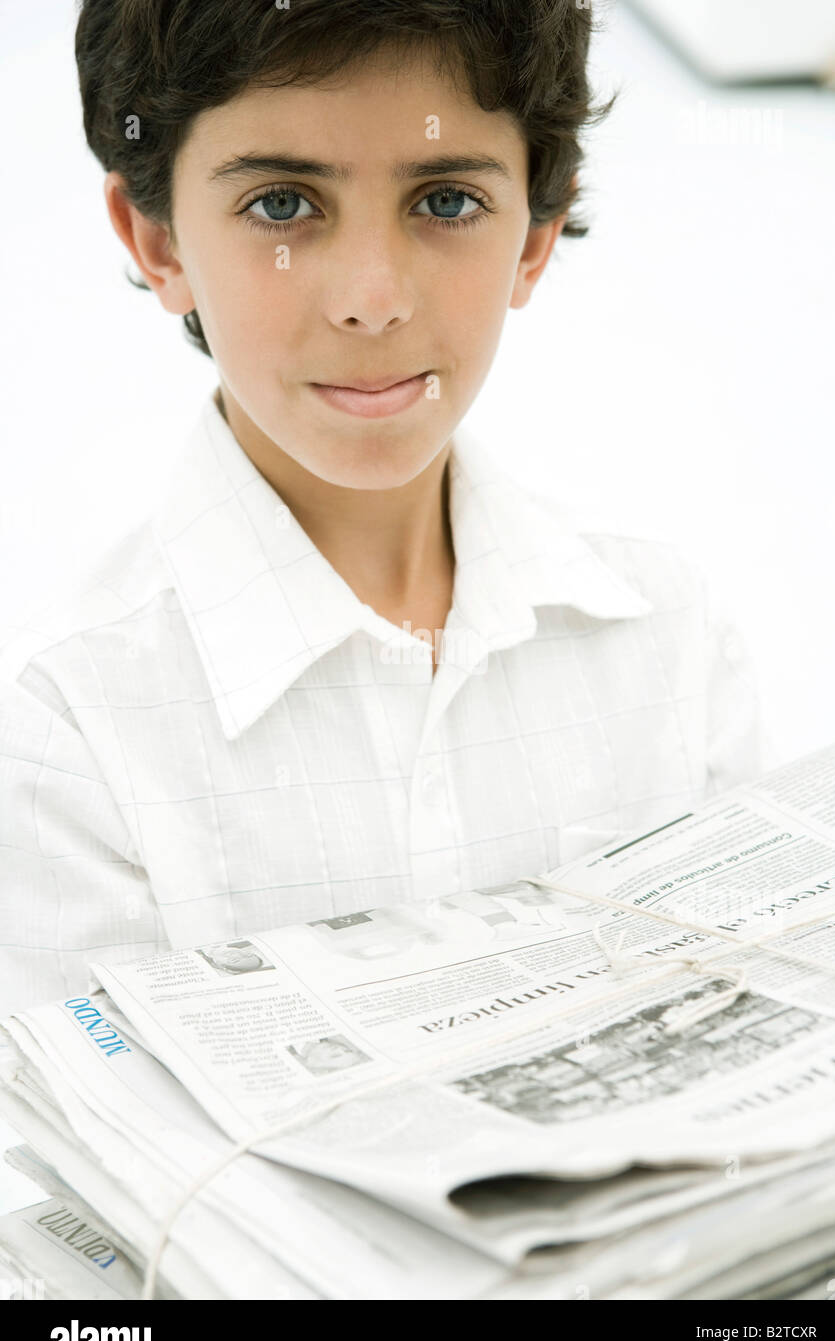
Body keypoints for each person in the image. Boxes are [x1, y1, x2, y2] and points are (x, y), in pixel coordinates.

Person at [0, 0, 770, 1018]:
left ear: (537, 235)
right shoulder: (68, 730)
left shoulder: (670, 642)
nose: (373, 298)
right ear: (158, 239)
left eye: (446, 202)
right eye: (283, 205)